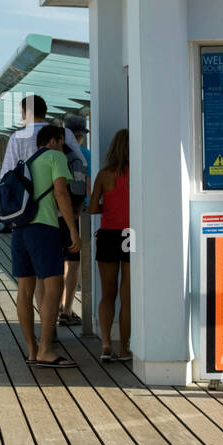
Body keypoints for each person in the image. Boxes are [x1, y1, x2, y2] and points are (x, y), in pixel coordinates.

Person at [12, 124, 79, 368]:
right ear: (53, 140)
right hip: (43, 228)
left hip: (20, 230)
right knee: (53, 286)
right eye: (61, 142)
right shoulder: (55, 156)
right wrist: (72, 228)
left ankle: (31, 349)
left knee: (24, 290)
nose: (63, 147)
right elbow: (61, 192)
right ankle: (46, 349)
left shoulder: (27, 161)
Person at [0, 94, 87, 234]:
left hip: (29, 211)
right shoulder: (64, 133)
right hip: (62, 208)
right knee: (65, 252)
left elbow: (6, 174)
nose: (21, 117)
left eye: (22, 112)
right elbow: (81, 164)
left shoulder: (18, 137)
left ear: (29, 113)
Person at [87, 128, 131, 362]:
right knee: (127, 294)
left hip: (108, 235)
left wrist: (110, 209)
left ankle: (105, 343)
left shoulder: (104, 175)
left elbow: (93, 208)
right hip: (131, 234)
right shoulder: (140, 173)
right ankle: (124, 347)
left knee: (107, 293)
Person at [58, 115, 90, 326]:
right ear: (80, 136)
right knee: (74, 263)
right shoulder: (84, 155)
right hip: (78, 213)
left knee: (60, 264)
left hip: (56, 213)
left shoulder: (57, 154)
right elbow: (86, 186)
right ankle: (68, 309)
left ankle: (57, 305)